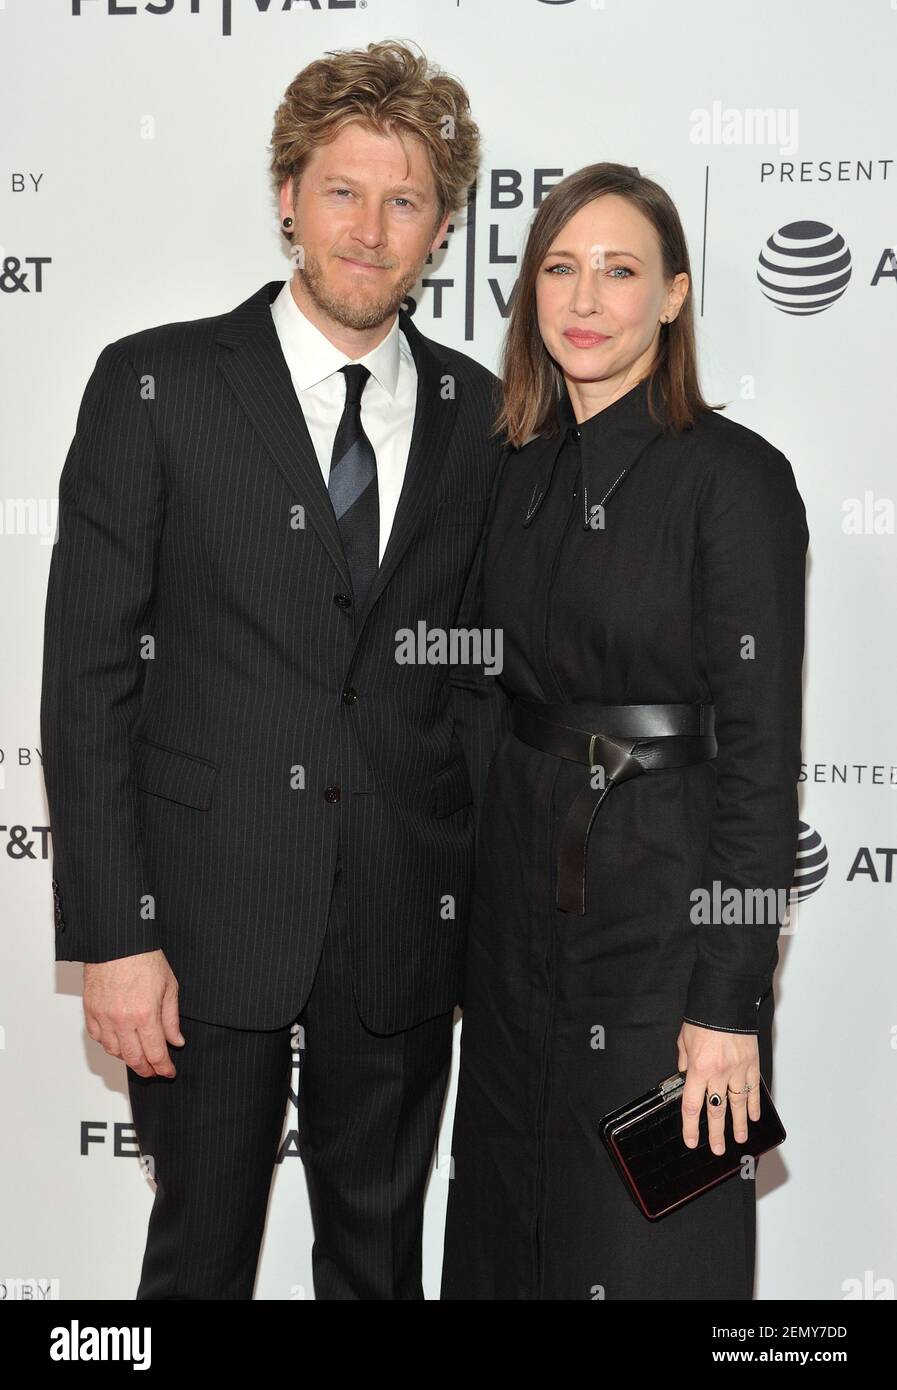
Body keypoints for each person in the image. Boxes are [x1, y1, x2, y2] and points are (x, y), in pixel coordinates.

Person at [41, 40, 506, 1300]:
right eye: (342, 190)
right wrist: (116, 936)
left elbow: (472, 680)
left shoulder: (482, 414)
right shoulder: (159, 383)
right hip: (198, 925)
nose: (370, 228)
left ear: (443, 228)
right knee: (196, 1261)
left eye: (404, 200)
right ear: (287, 197)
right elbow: (87, 680)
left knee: (378, 1266)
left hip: (403, 926)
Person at [440, 162, 809, 1300]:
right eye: (559, 268)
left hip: (668, 923)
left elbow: (760, 753)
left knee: (651, 1247)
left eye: (619, 270)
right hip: (515, 924)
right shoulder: (512, 469)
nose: (584, 298)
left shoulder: (736, 478)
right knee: (510, 1235)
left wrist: (729, 1002)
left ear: (675, 296)